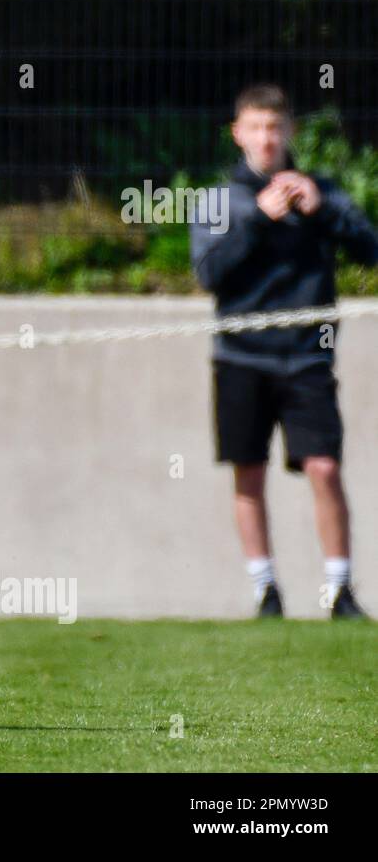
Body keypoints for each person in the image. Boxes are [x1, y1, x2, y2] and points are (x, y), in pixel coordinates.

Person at [189, 83, 377, 619]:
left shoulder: (322, 191)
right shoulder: (222, 201)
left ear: (289, 131)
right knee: (248, 471)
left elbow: (369, 247)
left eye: (276, 128)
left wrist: (322, 213)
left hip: (308, 358)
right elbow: (209, 272)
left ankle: (339, 590)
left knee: (323, 467)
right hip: (241, 356)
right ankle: (265, 590)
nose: (267, 139)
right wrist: (257, 218)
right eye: (256, 128)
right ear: (238, 134)